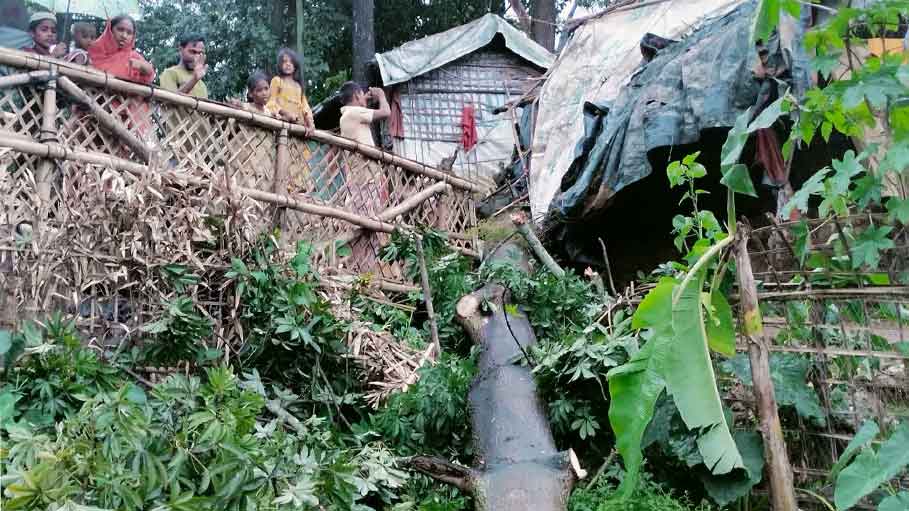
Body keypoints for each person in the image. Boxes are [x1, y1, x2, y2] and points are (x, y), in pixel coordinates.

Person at [87, 16, 156, 139]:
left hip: (128, 123)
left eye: (129, 33)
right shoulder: (95, 53)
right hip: (95, 118)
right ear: (110, 30)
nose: (124, 35)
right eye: (120, 30)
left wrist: (140, 66)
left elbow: (150, 73)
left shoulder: (133, 56)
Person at [266, 48, 314, 128]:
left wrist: (310, 123)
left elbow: (305, 107)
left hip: (298, 127)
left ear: (295, 66)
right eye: (284, 61)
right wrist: (285, 113)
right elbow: (271, 103)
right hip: (280, 125)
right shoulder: (277, 81)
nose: (288, 64)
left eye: (291, 62)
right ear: (279, 65)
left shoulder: (299, 86)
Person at [338, 81, 390, 147]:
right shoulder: (355, 112)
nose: (364, 96)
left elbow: (359, 112)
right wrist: (381, 94)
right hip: (365, 157)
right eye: (362, 94)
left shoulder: (345, 116)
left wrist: (362, 99)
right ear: (357, 95)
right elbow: (386, 112)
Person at [159, 34, 208, 98]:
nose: (196, 57)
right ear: (181, 50)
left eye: (200, 53)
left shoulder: (202, 84)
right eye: (193, 52)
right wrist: (194, 79)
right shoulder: (169, 73)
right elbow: (169, 102)